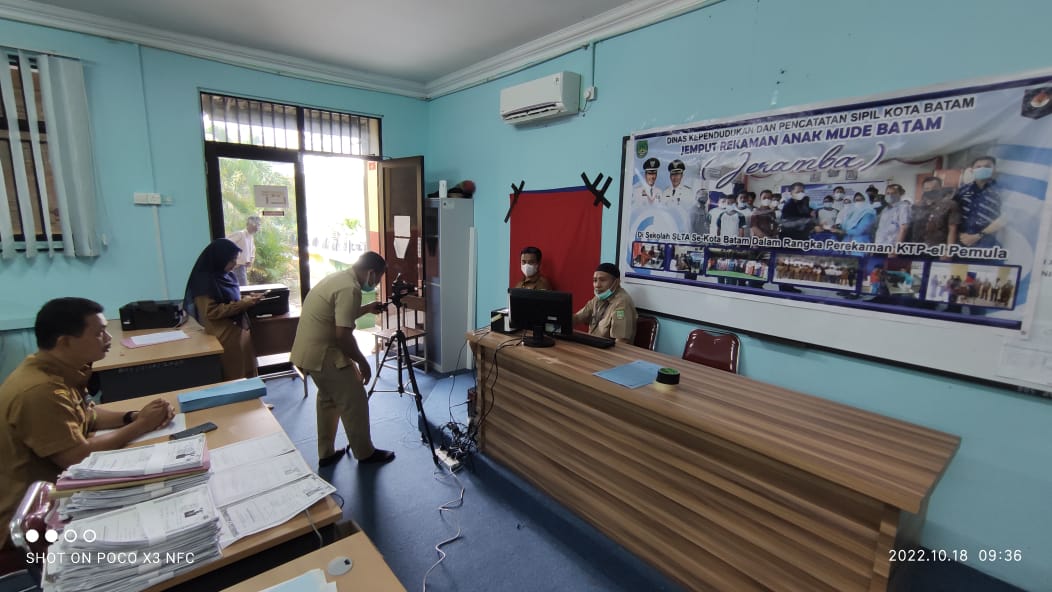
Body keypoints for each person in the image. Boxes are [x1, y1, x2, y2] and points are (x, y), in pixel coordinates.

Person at [0, 298, 174, 549]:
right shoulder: (39, 390)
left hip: (60, 492)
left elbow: (86, 415)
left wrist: (132, 417)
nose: (108, 338)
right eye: (99, 333)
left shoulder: (55, 370)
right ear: (65, 342)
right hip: (34, 517)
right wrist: (141, 426)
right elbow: (76, 457)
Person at [290, 251, 394, 467]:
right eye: (379, 278)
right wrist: (363, 362)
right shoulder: (350, 288)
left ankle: (326, 453)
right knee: (354, 399)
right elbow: (343, 335)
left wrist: (367, 308)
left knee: (328, 400)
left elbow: (338, 315)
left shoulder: (338, 278)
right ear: (371, 273)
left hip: (306, 352)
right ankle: (365, 453)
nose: (376, 283)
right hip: (324, 354)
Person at [184, 238, 262, 381]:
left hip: (240, 332)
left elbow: (229, 299)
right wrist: (242, 304)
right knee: (235, 377)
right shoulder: (203, 282)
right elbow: (211, 312)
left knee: (250, 375)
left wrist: (248, 299)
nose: (235, 264)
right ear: (219, 259)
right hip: (224, 337)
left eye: (235, 259)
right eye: (231, 260)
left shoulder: (227, 275)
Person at [572, 263, 637, 343]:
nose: (597, 285)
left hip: (607, 350)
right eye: (595, 280)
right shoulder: (598, 298)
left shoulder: (622, 303)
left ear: (616, 282)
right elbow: (578, 318)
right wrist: (561, 318)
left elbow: (621, 342)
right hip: (592, 345)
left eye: (602, 280)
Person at [954, 156, 1005, 248]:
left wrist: (977, 236)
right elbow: (953, 213)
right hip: (960, 240)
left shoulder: (1002, 191)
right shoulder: (962, 190)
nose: (982, 169)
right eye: (978, 167)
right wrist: (958, 234)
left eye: (987, 166)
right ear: (972, 170)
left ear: (994, 169)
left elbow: (1006, 217)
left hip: (986, 242)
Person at [907, 176, 960, 249]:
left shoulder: (950, 205)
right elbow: (910, 229)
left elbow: (952, 230)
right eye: (927, 189)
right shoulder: (916, 206)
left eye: (934, 188)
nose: (930, 191)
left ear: (940, 188)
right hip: (917, 248)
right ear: (923, 190)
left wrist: (949, 250)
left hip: (938, 248)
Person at [226, 215, 261, 286]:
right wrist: (232, 260)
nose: (257, 227)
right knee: (243, 287)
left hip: (243, 267)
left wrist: (250, 260)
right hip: (237, 266)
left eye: (259, 225)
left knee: (241, 288)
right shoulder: (240, 234)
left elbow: (252, 251)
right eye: (256, 224)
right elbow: (226, 244)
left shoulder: (251, 237)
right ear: (249, 224)